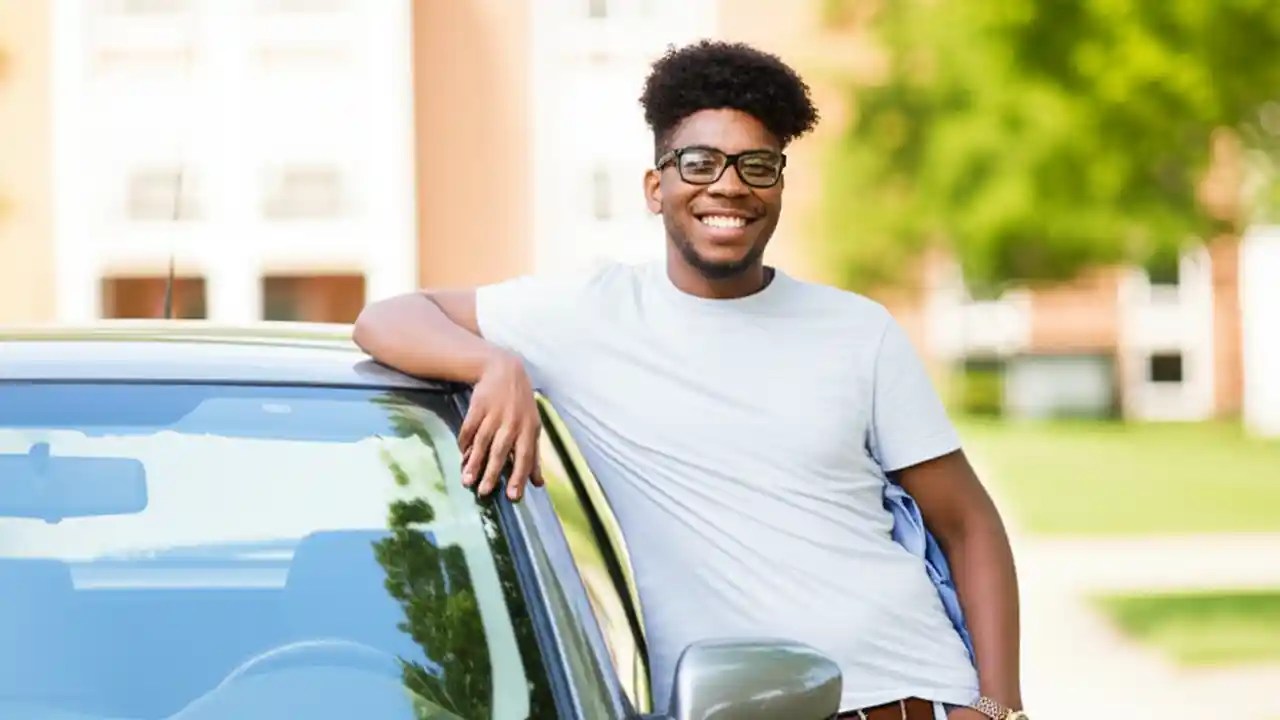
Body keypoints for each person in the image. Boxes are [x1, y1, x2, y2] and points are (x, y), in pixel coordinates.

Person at [354, 40, 1026, 720]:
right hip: (728, 708)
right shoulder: (588, 315)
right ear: (657, 187)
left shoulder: (860, 331)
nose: (729, 186)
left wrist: (1002, 707)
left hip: (907, 695)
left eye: (756, 166)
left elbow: (967, 523)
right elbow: (388, 317)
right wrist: (493, 364)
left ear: (780, 187)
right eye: (700, 163)